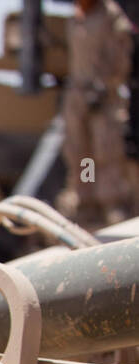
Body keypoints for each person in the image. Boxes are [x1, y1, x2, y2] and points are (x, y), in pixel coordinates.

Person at [58, 0, 135, 224]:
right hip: (78, 93)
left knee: (106, 150)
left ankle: (111, 201)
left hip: (104, 95)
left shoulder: (111, 17)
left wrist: (106, 84)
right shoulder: (76, 18)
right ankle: (86, 199)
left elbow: (121, 56)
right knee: (82, 153)